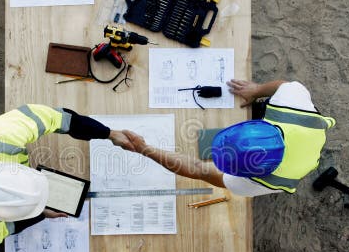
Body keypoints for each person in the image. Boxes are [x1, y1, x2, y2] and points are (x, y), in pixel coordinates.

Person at [0, 105, 134, 245]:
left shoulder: (2, 136)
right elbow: (5, 230)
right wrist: (40, 215)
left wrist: (109, 133)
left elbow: (61, 118)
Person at [123, 79, 335, 196]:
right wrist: (257, 90)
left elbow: (198, 170)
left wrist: (144, 149)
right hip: (311, 138)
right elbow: (283, 84)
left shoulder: (252, 184)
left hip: (299, 166)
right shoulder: (291, 100)